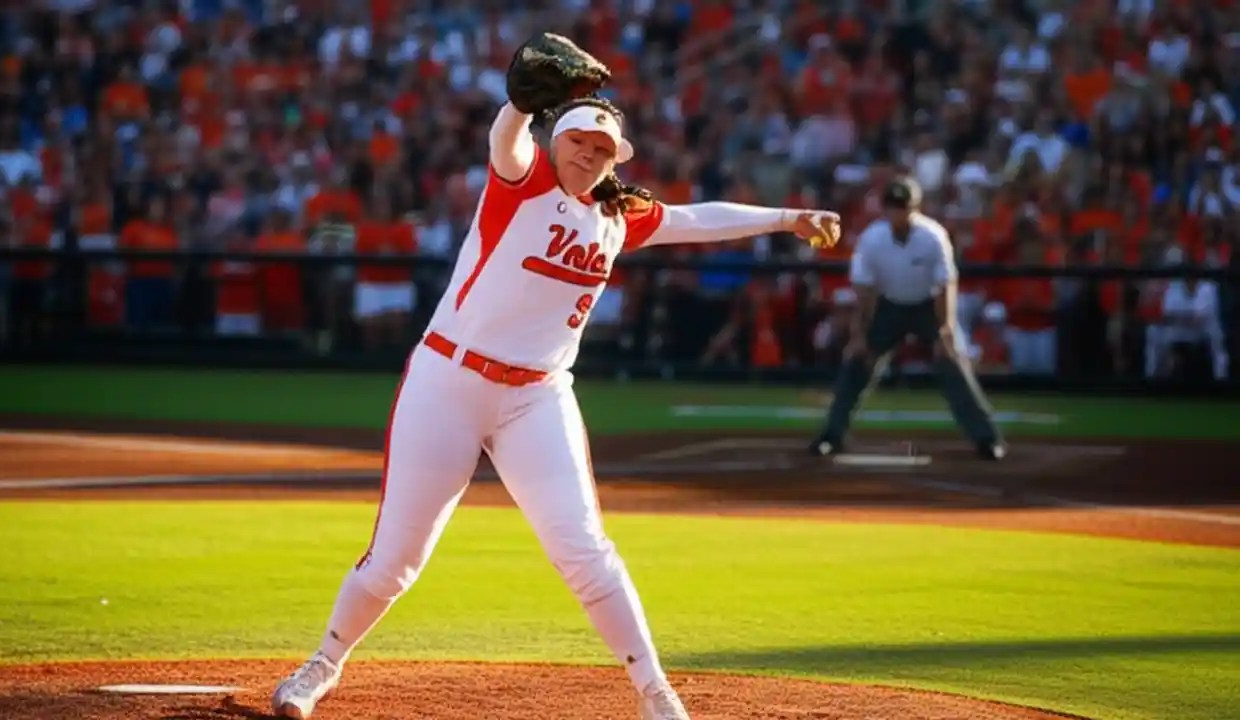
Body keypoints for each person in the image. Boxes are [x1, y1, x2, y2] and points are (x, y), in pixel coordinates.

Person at [270, 34, 841, 720]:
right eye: (581, 144)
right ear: (555, 140)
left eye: (603, 152)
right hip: (447, 383)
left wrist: (789, 219)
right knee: (396, 559)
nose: (591, 157)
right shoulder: (524, 180)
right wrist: (517, 104)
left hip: (535, 398)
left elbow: (694, 220)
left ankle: (655, 693)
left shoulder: (615, 216)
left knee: (585, 551)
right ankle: (322, 664)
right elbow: (503, 143)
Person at [808, 176, 1006, 460]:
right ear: (884, 209)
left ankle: (987, 439)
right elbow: (865, 291)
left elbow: (945, 285)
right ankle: (831, 435)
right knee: (857, 364)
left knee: (952, 365)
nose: (899, 213)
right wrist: (860, 334)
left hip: (927, 306)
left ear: (915, 207)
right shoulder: (872, 239)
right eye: (893, 206)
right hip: (888, 305)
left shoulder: (932, 236)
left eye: (904, 207)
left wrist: (945, 330)